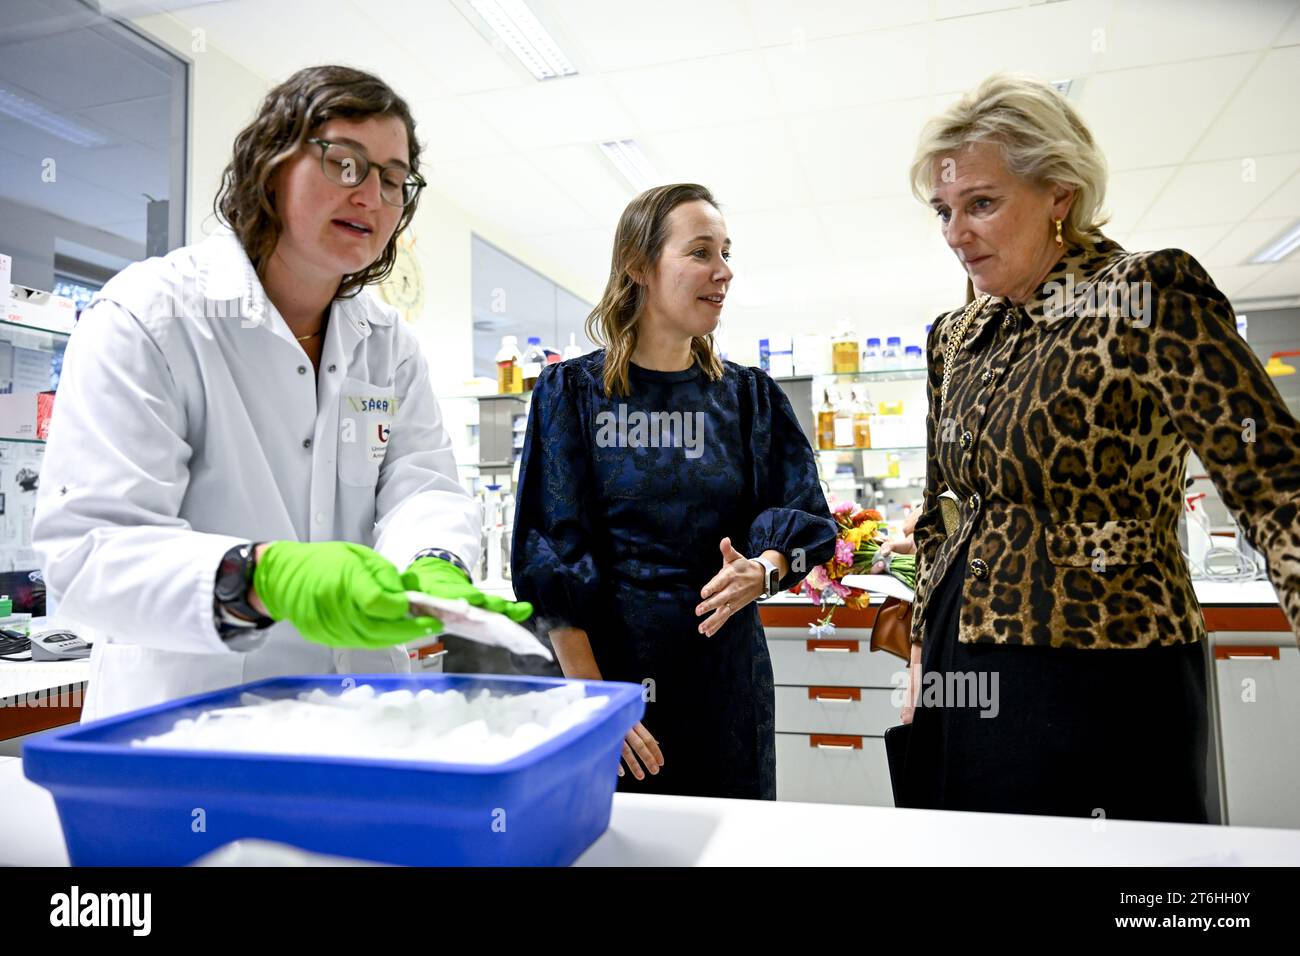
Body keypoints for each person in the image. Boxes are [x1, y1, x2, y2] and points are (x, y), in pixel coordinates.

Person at [32, 65, 528, 722]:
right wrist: (262, 577)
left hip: (360, 717)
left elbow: (423, 488)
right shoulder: (149, 317)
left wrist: (433, 565)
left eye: (393, 179)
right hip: (188, 726)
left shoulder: (388, 343)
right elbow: (89, 553)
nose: (373, 197)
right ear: (271, 164)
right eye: (346, 164)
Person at [900, 72, 1300, 822]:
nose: (957, 232)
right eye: (944, 210)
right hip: (964, 662)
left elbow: (1275, 482)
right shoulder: (958, 337)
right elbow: (941, 512)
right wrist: (925, 639)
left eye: (982, 203)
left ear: (1060, 192)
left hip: (1104, 670)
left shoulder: (1143, 297)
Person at [511, 184, 836, 799]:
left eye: (727, 252)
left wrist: (763, 571)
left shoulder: (748, 399)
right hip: (616, 693)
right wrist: (595, 701)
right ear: (639, 266)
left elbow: (804, 515)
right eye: (701, 253)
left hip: (727, 692)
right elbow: (550, 556)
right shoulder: (571, 395)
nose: (725, 271)